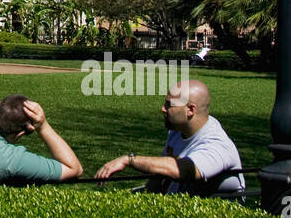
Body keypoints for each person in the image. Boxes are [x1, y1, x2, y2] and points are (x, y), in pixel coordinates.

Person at [95, 80, 245, 198]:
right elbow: (161, 175)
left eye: (169, 105)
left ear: (190, 110)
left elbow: (184, 170)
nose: (162, 109)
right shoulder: (177, 131)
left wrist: (129, 160)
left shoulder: (217, 145)